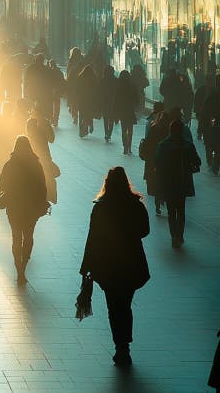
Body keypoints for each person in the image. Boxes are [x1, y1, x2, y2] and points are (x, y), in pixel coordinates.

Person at [79, 167, 150, 367]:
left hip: (108, 265)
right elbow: (145, 230)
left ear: (107, 184)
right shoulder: (136, 205)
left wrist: (86, 267)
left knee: (113, 307)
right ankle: (125, 345)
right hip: (131, 263)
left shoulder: (101, 207)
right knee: (125, 305)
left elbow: (92, 238)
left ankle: (120, 346)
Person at [0, 136, 48, 284]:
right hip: (32, 210)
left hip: (14, 209)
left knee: (16, 238)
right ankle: (23, 266)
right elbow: (43, 188)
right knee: (29, 237)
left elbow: (0, 187)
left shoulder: (9, 165)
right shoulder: (36, 165)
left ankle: (18, 268)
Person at [155, 119, 201, 247]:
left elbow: (157, 163)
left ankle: (174, 236)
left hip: (168, 183)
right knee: (181, 210)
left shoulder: (163, 145)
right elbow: (197, 161)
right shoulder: (187, 145)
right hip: (182, 182)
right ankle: (180, 235)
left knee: (171, 211)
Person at [114, 70, 138, 155]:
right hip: (130, 110)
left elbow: (115, 99)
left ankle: (125, 146)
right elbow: (136, 98)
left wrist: (115, 110)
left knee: (123, 129)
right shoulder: (132, 86)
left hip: (122, 110)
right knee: (130, 129)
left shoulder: (118, 86)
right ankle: (129, 147)